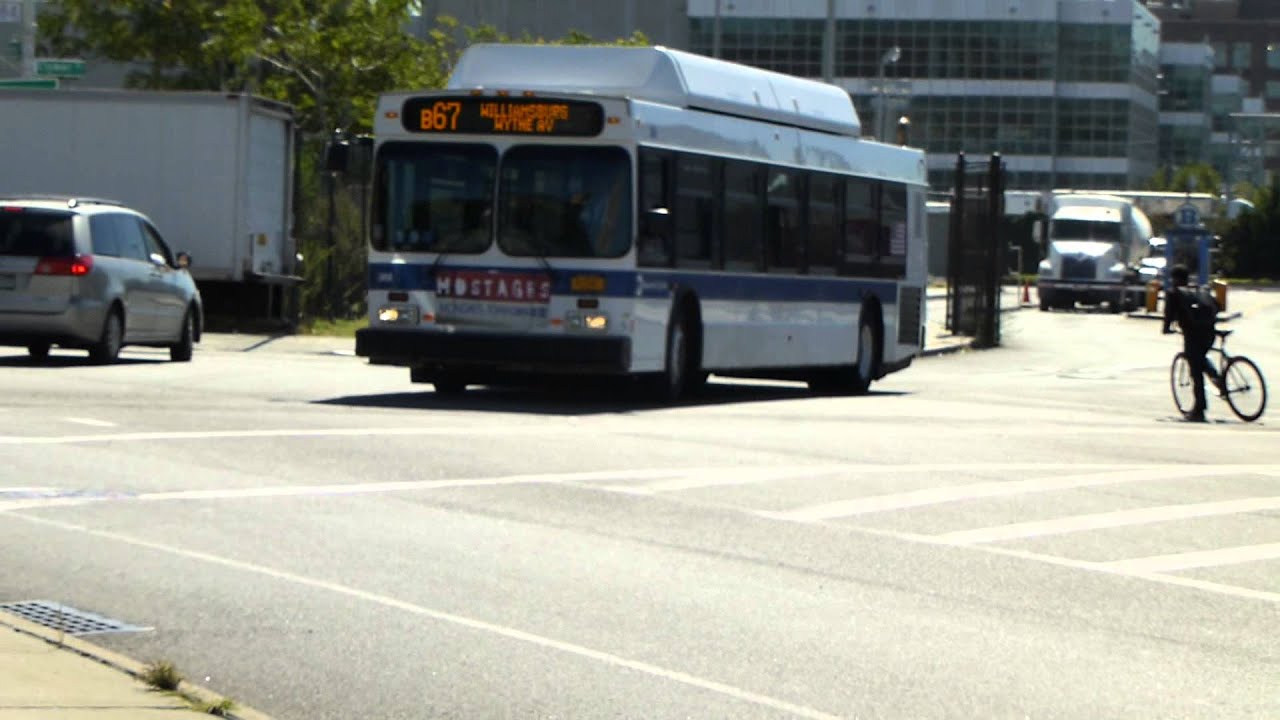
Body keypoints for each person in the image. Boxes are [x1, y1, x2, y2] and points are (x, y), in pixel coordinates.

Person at [1162, 264, 1220, 422]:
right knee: (1200, 358)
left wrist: (1166, 329)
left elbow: (1169, 314)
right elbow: (1217, 306)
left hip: (1193, 334)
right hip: (1209, 332)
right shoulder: (1201, 290)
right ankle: (1216, 378)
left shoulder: (1174, 293)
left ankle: (1199, 409)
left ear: (1174, 278)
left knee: (1196, 371)